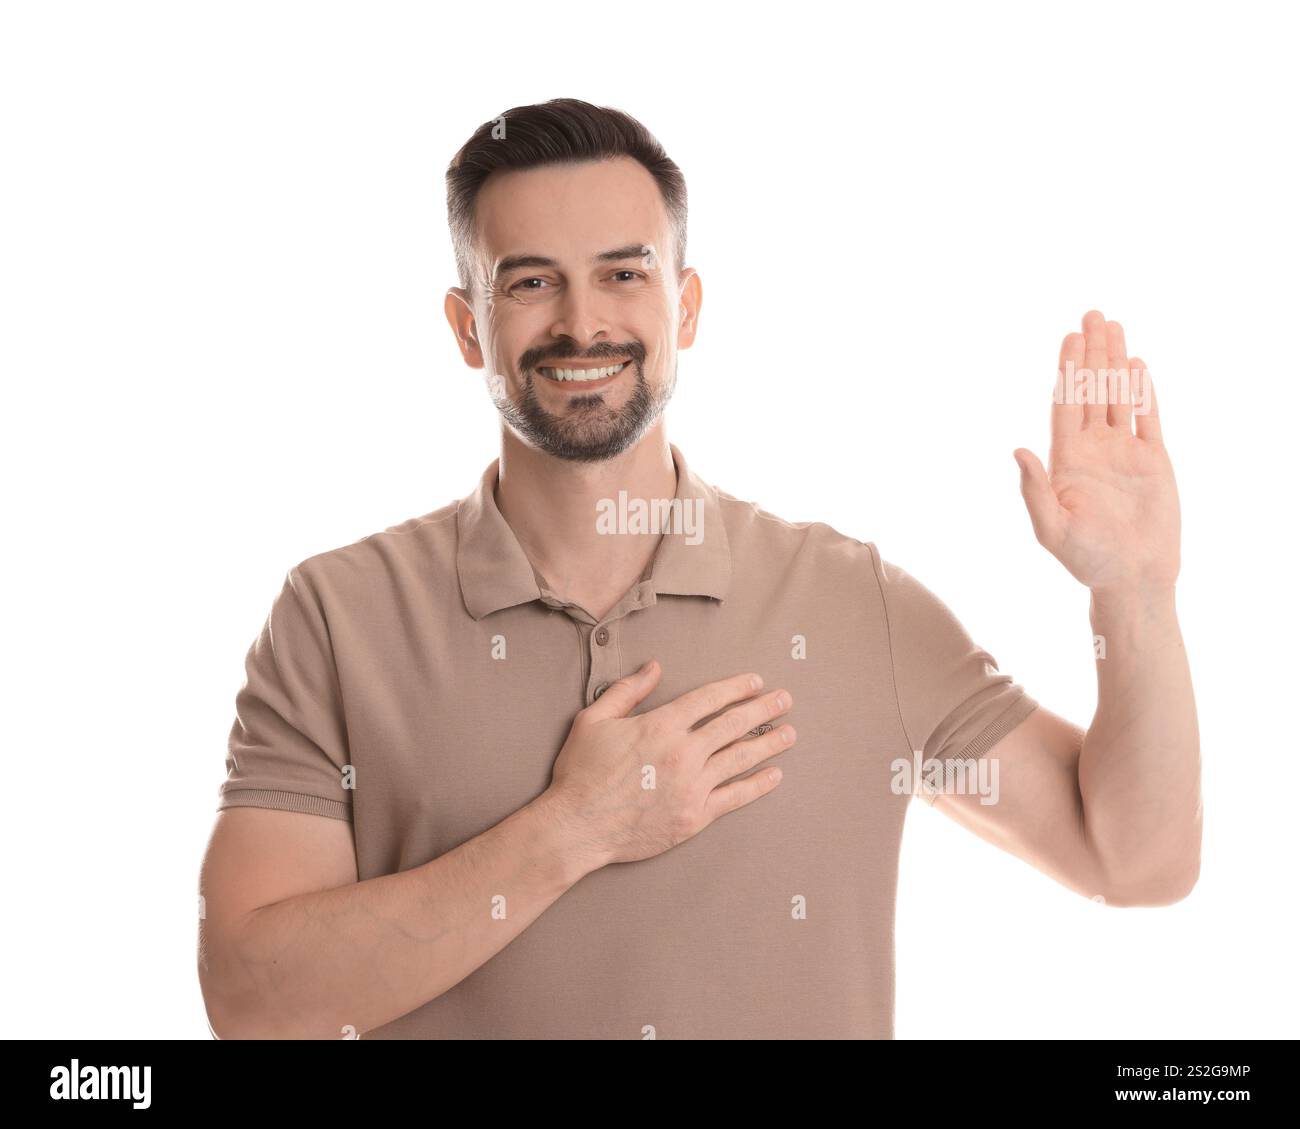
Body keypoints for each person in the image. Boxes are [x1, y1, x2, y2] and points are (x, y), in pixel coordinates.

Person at [197, 98, 1201, 1040]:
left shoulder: (851, 605)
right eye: (531, 279)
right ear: (468, 325)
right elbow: (249, 996)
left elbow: (1131, 860)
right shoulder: (336, 617)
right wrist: (574, 828)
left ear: (684, 307)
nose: (581, 323)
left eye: (624, 273)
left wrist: (1136, 591)